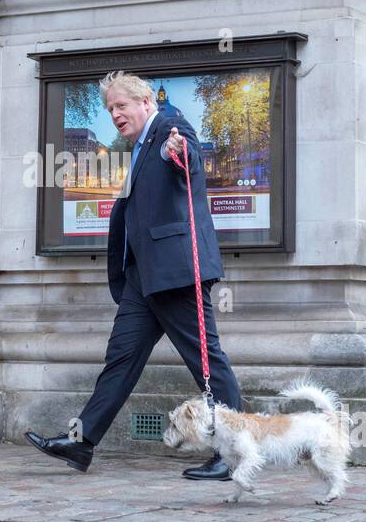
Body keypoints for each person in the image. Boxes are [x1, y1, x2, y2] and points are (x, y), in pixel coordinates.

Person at [25, 70, 243, 479]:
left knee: (207, 363)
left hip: (178, 272)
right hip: (143, 279)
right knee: (120, 360)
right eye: (110, 109)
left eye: (121, 105)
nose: (115, 115)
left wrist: (176, 151)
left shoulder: (169, 129)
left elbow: (185, 159)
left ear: (146, 102)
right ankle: (82, 441)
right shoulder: (140, 146)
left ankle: (233, 454)